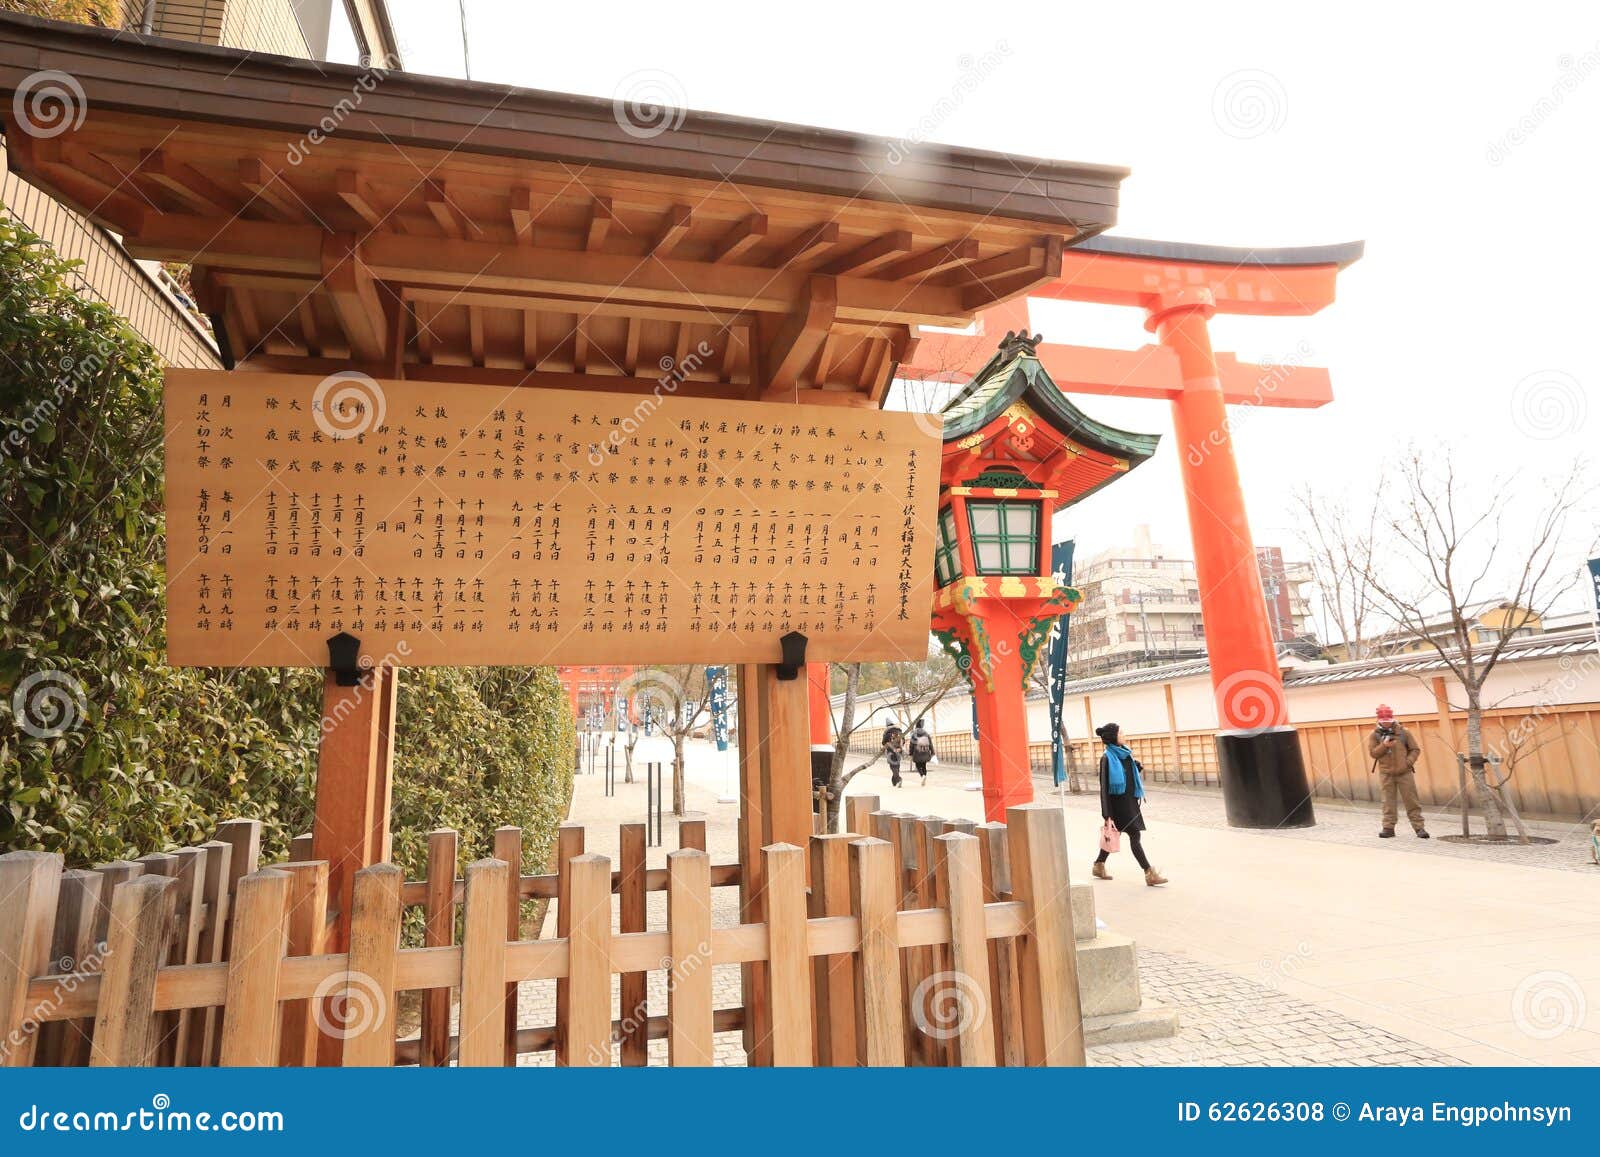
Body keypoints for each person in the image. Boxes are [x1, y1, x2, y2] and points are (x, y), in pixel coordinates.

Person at [1092, 722, 1167, 886]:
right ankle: (1149, 873)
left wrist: (1136, 767)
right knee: (1134, 835)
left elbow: (1126, 776)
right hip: (1118, 806)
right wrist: (1107, 813)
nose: (1124, 735)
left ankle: (1099, 864)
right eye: (1121, 733)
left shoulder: (1125, 754)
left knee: (1114, 834)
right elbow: (1104, 787)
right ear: (1113, 737)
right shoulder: (1107, 758)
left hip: (1130, 802)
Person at [1368, 704, 1429, 839]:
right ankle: (1388, 828)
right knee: (1388, 802)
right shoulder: (1374, 735)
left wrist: (1408, 763)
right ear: (1378, 720)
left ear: (1393, 719)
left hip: (1404, 772)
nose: (1386, 724)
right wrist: (1384, 746)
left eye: (1388, 721)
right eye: (1383, 722)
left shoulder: (1404, 732)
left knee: (1411, 800)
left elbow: (1415, 749)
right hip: (1386, 773)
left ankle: (1419, 828)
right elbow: (1373, 754)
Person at [908, 719, 935, 786]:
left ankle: (922, 776)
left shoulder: (914, 733)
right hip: (925, 751)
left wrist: (910, 753)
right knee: (924, 766)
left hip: (917, 752)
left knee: (917, 765)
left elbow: (911, 744)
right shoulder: (926, 733)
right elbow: (930, 744)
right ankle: (924, 778)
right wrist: (932, 752)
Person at [882, 721, 904, 788]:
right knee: (897, 766)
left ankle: (899, 779)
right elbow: (903, 741)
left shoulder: (887, 733)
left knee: (893, 767)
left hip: (890, 752)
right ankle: (894, 782)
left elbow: (883, 743)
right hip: (899, 752)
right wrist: (899, 748)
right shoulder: (899, 731)